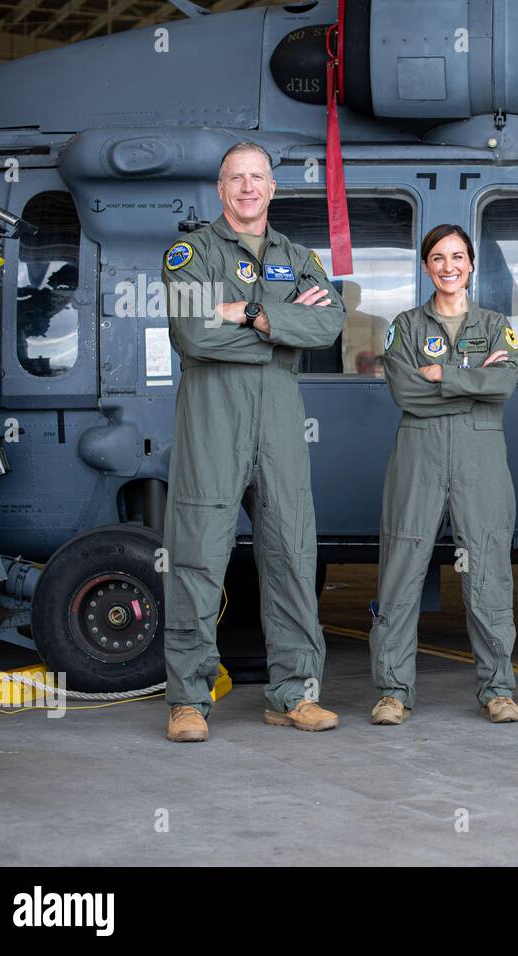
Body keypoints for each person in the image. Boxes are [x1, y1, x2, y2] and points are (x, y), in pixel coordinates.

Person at [161, 141, 344, 742]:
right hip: (212, 420)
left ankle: (294, 694)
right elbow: (193, 334)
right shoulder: (190, 254)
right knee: (197, 558)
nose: (247, 188)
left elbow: (329, 323)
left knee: (292, 555)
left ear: (273, 188)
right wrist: (282, 328)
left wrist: (251, 312)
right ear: (221, 190)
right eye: (235, 179)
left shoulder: (299, 256)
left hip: (280, 424)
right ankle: (188, 700)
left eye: (257, 178)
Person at [369, 224, 518, 725]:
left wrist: (443, 374)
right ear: (426, 266)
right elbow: (404, 392)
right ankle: (393, 691)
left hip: (482, 457)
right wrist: (472, 378)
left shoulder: (498, 325)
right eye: (438, 257)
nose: (449, 266)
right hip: (420, 453)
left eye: (458, 256)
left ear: (472, 264)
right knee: (401, 568)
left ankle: (498, 689)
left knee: (489, 572)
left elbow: (504, 385)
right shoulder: (406, 327)